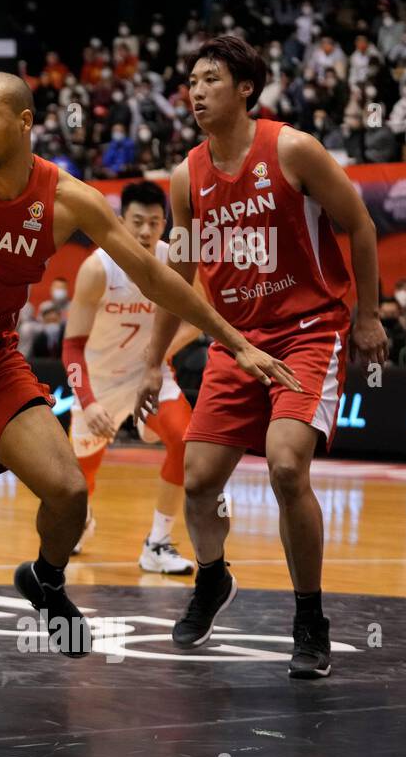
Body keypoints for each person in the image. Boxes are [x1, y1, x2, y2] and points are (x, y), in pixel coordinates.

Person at [0, 71, 299, 657]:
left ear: (24, 122)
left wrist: (235, 339)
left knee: (70, 492)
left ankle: (45, 579)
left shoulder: (69, 200)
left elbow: (154, 276)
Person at [137, 36, 388, 679]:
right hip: (235, 342)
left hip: (307, 330)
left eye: (210, 79)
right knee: (197, 480)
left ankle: (310, 617)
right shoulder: (185, 175)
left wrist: (366, 315)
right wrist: (150, 361)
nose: (195, 91)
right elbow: (180, 271)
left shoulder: (294, 148)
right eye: (190, 80)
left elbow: (359, 224)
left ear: (245, 88)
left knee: (284, 465)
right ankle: (214, 578)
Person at [62, 181, 203, 570]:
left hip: (150, 378)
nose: (145, 231)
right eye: (137, 221)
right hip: (101, 382)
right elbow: (71, 347)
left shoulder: (175, 261)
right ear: (120, 220)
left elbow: (199, 319)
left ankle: (157, 544)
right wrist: (88, 403)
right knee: (78, 481)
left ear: (165, 224)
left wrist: (158, 355)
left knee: (185, 441)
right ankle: (83, 518)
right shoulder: (97, 268)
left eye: (155, 223)